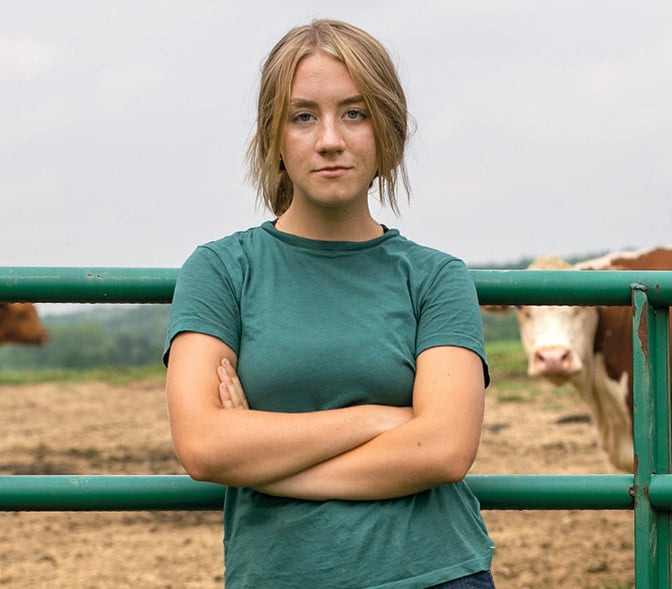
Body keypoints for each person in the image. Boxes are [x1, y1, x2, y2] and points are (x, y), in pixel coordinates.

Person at [163, 19, 495, 589]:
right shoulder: (221, 271)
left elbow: (442, 449)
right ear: (274, 135)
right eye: (303, 116)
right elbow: (202, 445)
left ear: (386, 130)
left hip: (436, 574)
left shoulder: (436, 277)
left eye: (355, 112)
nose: (330, 139)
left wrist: (268, 465)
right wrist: (374, 420)